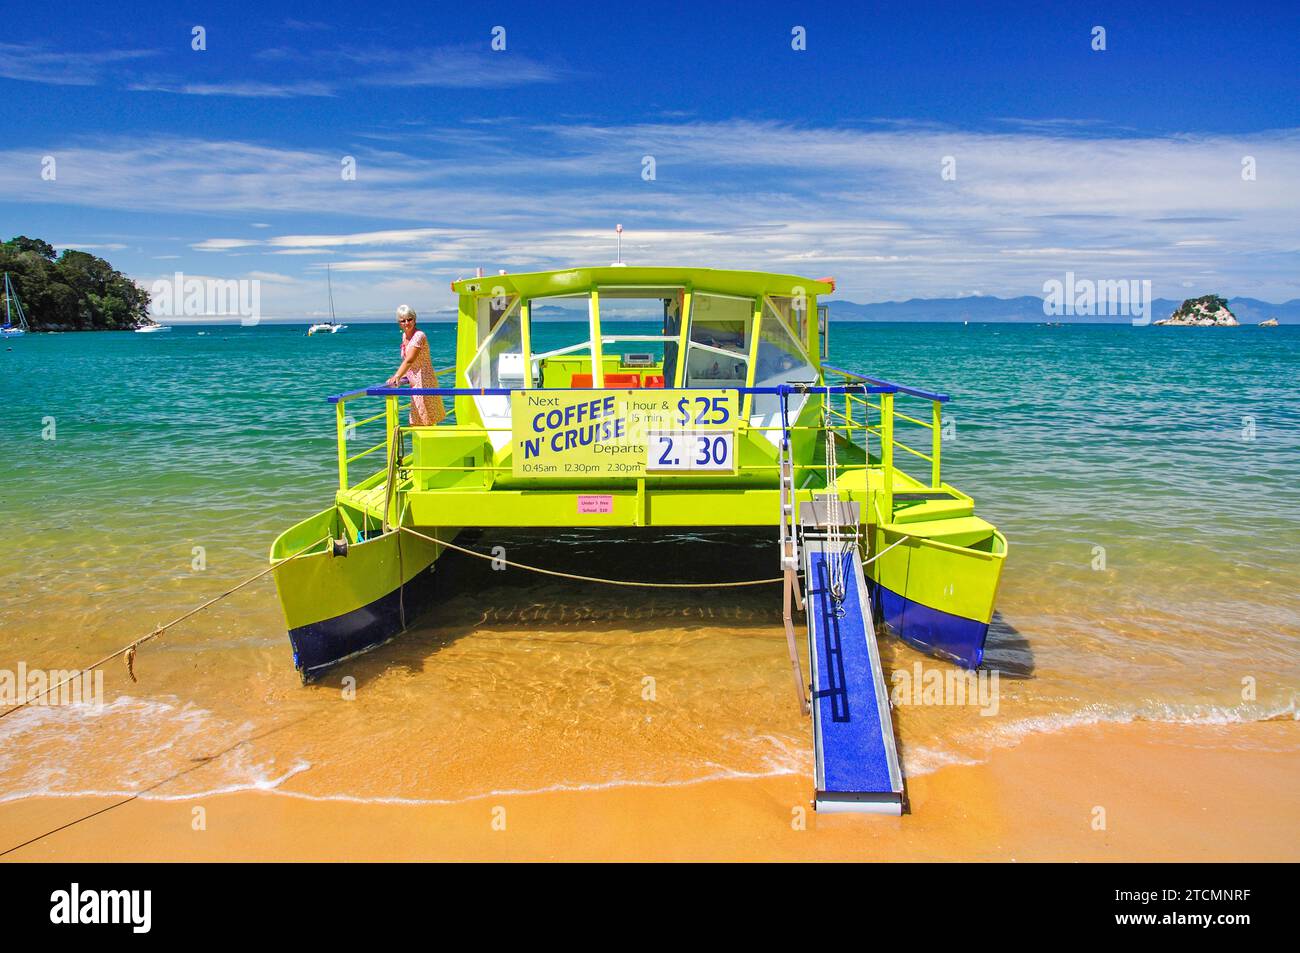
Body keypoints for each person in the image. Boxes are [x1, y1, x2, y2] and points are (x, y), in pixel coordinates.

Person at [386, 305, 446, 426]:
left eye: (409, 319)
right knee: (418, 417)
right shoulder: (405, 336)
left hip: (424, 381)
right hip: (414, 381)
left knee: (425, 418)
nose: (407, 323)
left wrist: (397, 376)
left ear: (415, 319)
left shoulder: (419, 336)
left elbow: (410, 360)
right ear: (399, 323)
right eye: (403, 321)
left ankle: (428, 444)